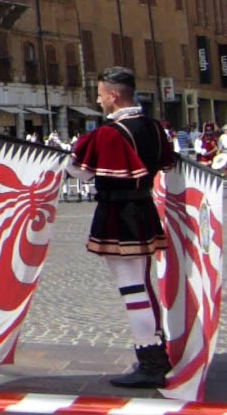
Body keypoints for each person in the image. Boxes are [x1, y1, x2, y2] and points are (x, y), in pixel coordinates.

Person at [67, 66, 176, 388]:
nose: (98, 100)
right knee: (142, 282)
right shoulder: (155, 128)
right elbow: (167, 163)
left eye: (100, 95)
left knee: (133, 289)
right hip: (144, 208)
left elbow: (80, 173)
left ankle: (151, 362)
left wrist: (67, 161)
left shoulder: (108, 134)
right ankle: (156, 351)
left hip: (118, 212)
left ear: (114, 96)